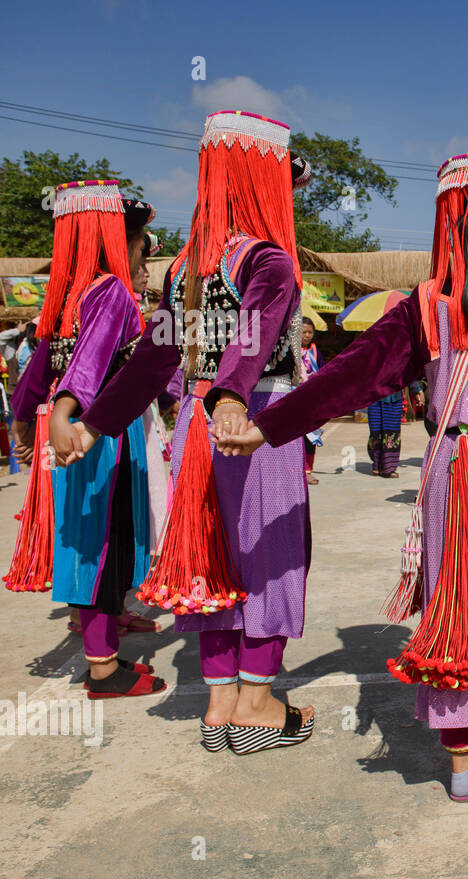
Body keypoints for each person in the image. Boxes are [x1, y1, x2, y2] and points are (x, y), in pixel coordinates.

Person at [217, 150, 468, 811]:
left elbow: (348, 376)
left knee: (453, 610)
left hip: (442, 473)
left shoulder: (423, 305)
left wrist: (267, 427)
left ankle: (459, 766)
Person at [63, 110, 316, 755]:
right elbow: (255, 338)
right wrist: (234, 395)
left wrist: (95, 422)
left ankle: (218, 704)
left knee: (211, 560)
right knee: (269, 559)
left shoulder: (186, 267)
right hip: (251, 430)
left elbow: (155, 361)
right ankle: (257, 704)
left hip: (195, 435)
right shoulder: (268, 260)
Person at [37, 181, 167, 697]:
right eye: (140, 244)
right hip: (97, 432)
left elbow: (45, 365)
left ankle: (102, 643)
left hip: (69, 427)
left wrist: (35, 419)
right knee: (103, 544)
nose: (142, 254)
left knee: (86, 539)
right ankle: (103, 669)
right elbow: (89, 363)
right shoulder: (110, 289)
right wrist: (69, 412)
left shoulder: (69, 291)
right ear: (121, 241)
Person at [300, 318, 321, 485]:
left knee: (310, 438)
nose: (307, 335)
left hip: (312, 399)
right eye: (304, 332)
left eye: (310, 332)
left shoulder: (314, 351)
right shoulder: (291, 351)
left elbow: (324, 371)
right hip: (294, 398)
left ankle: (308, 470)